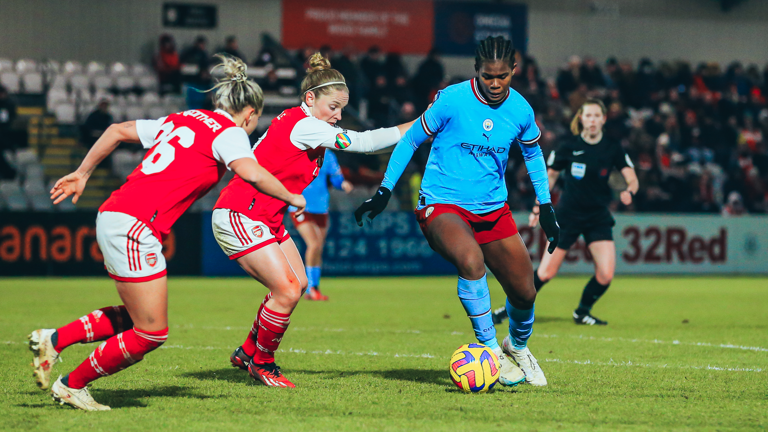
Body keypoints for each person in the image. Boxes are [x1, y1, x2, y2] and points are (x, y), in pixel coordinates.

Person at [28, 55, 305, 411]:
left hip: (119, 214)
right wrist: (290, 195)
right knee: (151, 332)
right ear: (250, 114)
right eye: (254, 121)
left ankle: (53, 339)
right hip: (134, 225)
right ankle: (72, 385)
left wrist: (82, 173)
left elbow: (115, 131)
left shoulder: (183, 118)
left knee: (137, 316)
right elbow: (251, 173)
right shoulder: (229, 132)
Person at [355, 36, 560, 387]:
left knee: (525, 291)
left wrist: (547, 204)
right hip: (442, 203)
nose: (495, 84)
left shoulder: (522, 110)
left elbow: (533, 155)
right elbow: (410, 140)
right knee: (470, 261)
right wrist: (385, 190)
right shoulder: (451, 100)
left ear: (514, 70)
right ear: (476, 70)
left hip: (493, 208)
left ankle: (518, 347)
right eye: (487, 76)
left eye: (502, 76)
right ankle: (492, 351)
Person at [213, 53, 414, 388]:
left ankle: (248, 351)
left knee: (299, 284)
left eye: (341, 108)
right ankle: (262, 363)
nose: (338, 115)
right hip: (241, 213)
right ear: (310, 99)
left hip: (266, 218)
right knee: (289, 290)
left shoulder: (304, 123)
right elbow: (365, 144)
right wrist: (421, 125)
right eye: (333, 107)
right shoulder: (305, 126)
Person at [492, 99, 639, 326]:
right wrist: (538, 207)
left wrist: (629, 190)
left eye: (596, 116)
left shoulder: (612, 146)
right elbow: (549, 178)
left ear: (603, 119)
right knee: (545, 273)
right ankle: (508, 309)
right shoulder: (568, 146)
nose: (592, 120)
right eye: (587, 116)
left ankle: (582, 312)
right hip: (569, 216)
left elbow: (632, 178)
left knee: (606, 275)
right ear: (581, 118)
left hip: (598, 217)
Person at [288, 149, 353, 301]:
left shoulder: (329, 155)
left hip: (321, 207)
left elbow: (337, 179)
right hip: (300, 205)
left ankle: (314, 286)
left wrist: (343, 184)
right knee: (314, 244)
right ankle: (311, 288)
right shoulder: (298, 151)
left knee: (318, 247)